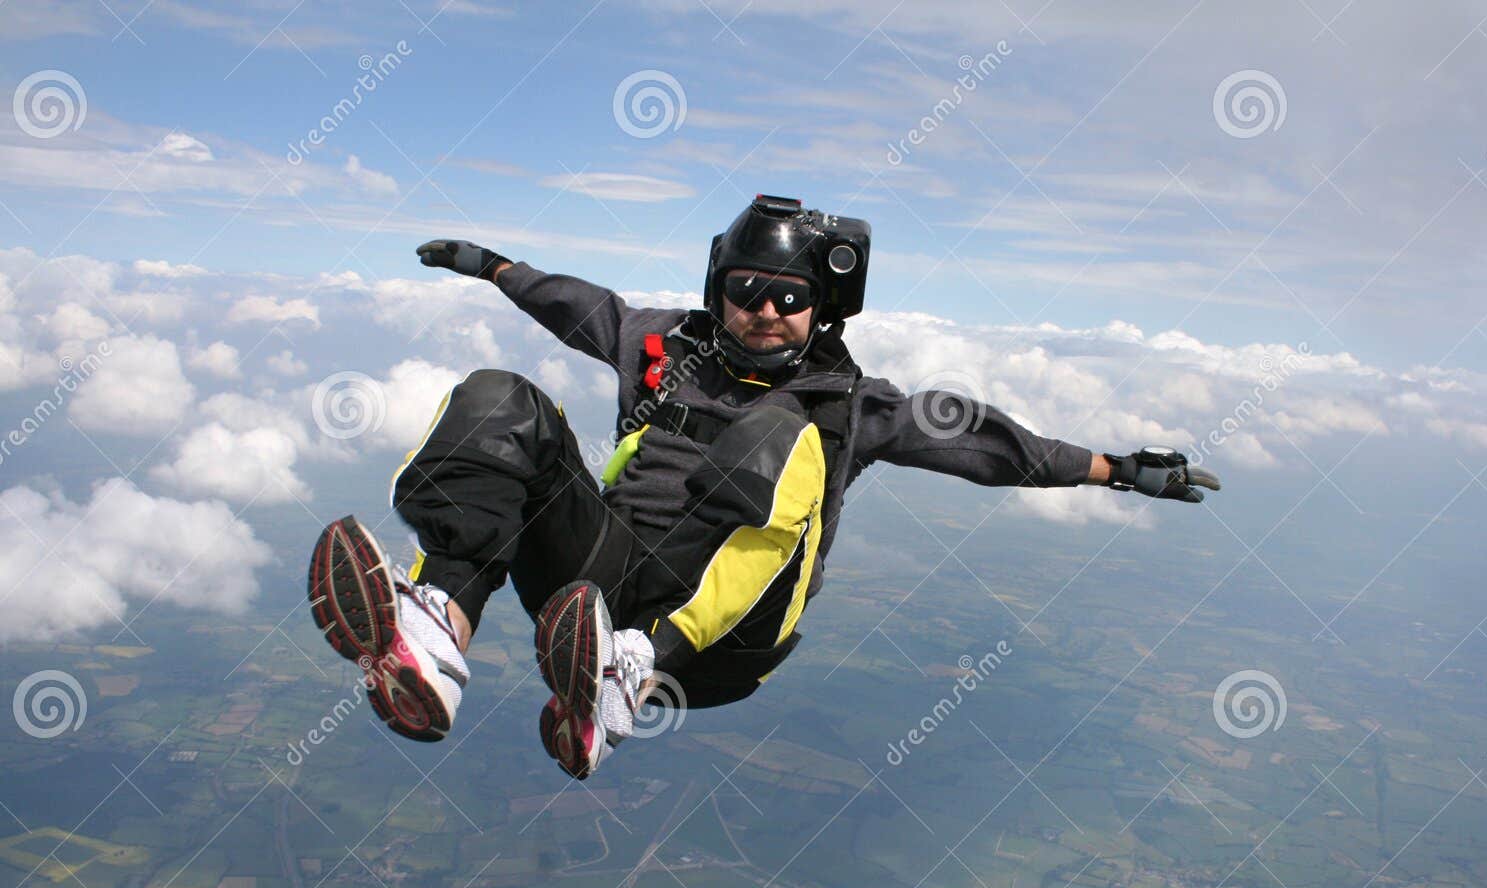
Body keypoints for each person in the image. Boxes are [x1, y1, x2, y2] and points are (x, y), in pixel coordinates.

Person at [307, 194, 1219, 779]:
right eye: (749, 289)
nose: (768, 311)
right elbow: (576, 305)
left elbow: (986, 443)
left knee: (781, 434)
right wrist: (494, 267)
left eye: (792, 298)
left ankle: (630, 672)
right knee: (501, 401)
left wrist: (1121, 470)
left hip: (722, 641)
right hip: (590, 590)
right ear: (721, 285)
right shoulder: (665, 346)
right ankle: (433, 637)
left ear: (824, 311)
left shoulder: (848, 403)